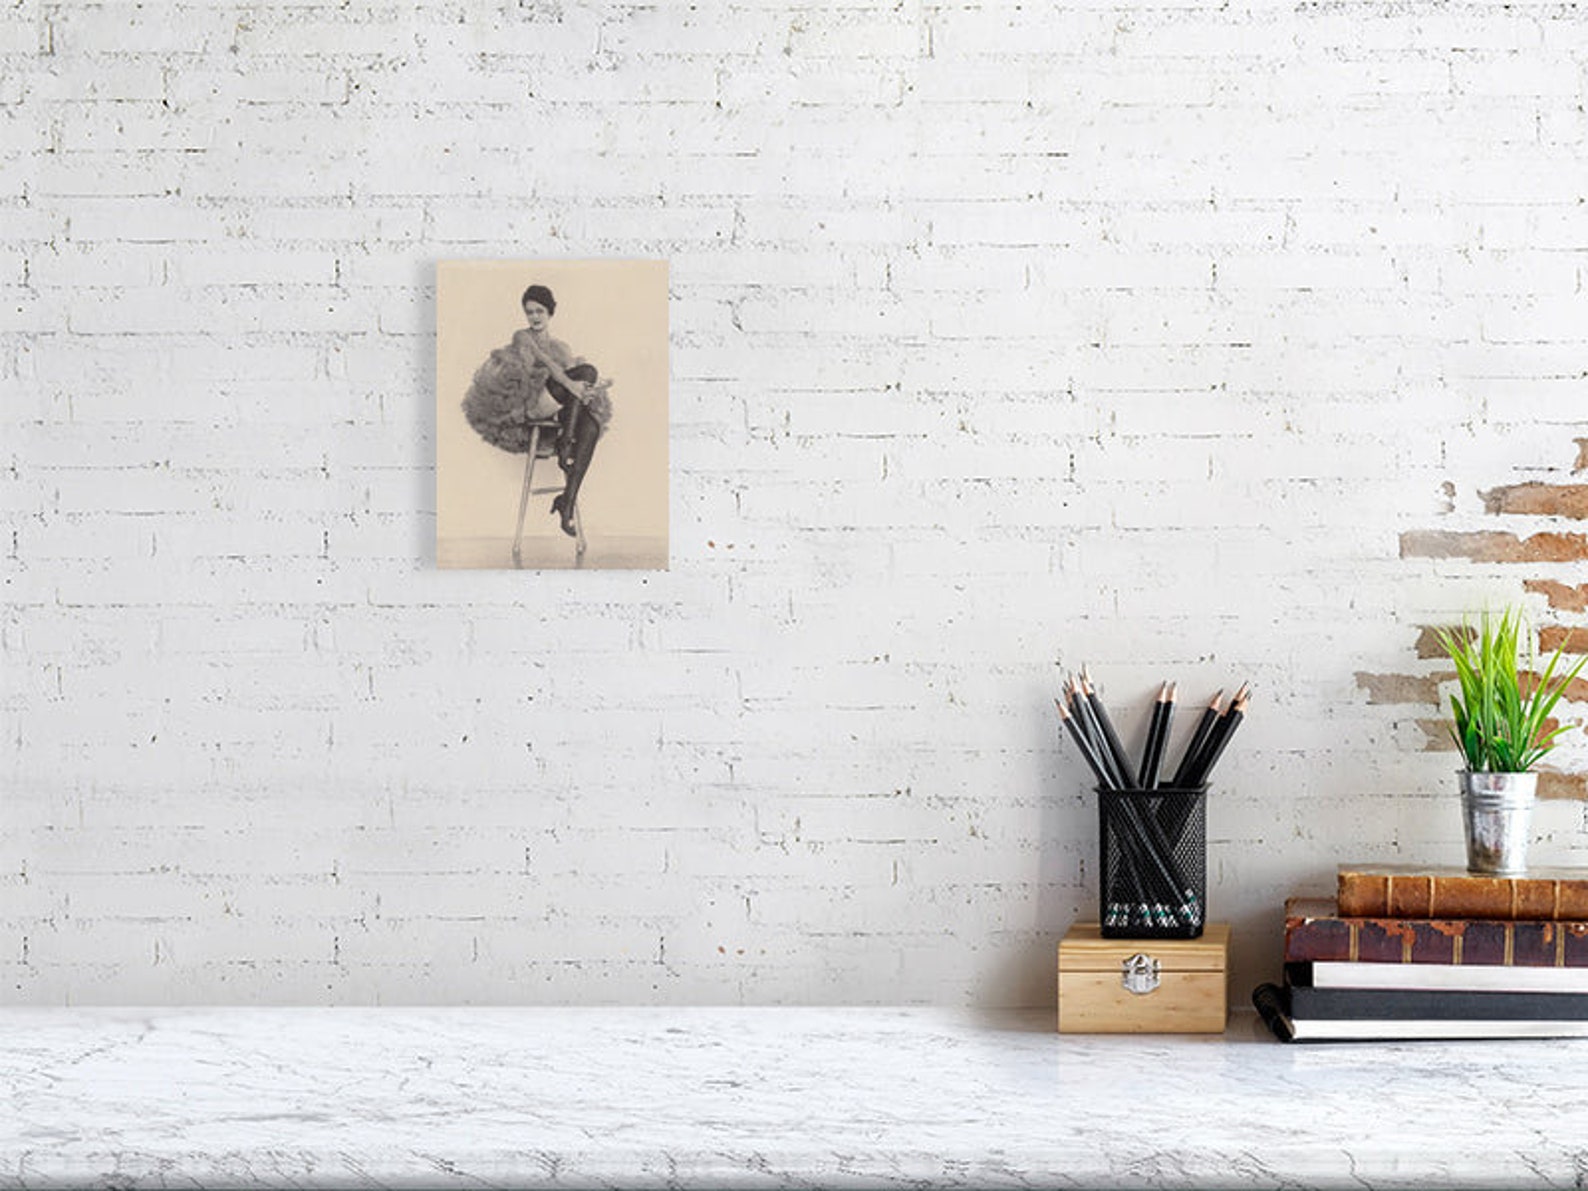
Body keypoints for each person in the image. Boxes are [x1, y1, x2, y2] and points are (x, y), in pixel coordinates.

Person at [461, 284, 613, 538]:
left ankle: (566, 501)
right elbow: (551, 366)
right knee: (587, 371)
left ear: (550, 312)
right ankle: (565, 444)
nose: (534, 317)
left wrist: (590, 390)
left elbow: (569, 381)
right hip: (533, 402)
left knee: (592, 427)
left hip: (560, 406)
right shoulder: (523, 336)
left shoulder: (562, 346)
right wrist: (575, 385)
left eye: (539, 311)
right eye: (529, 312)